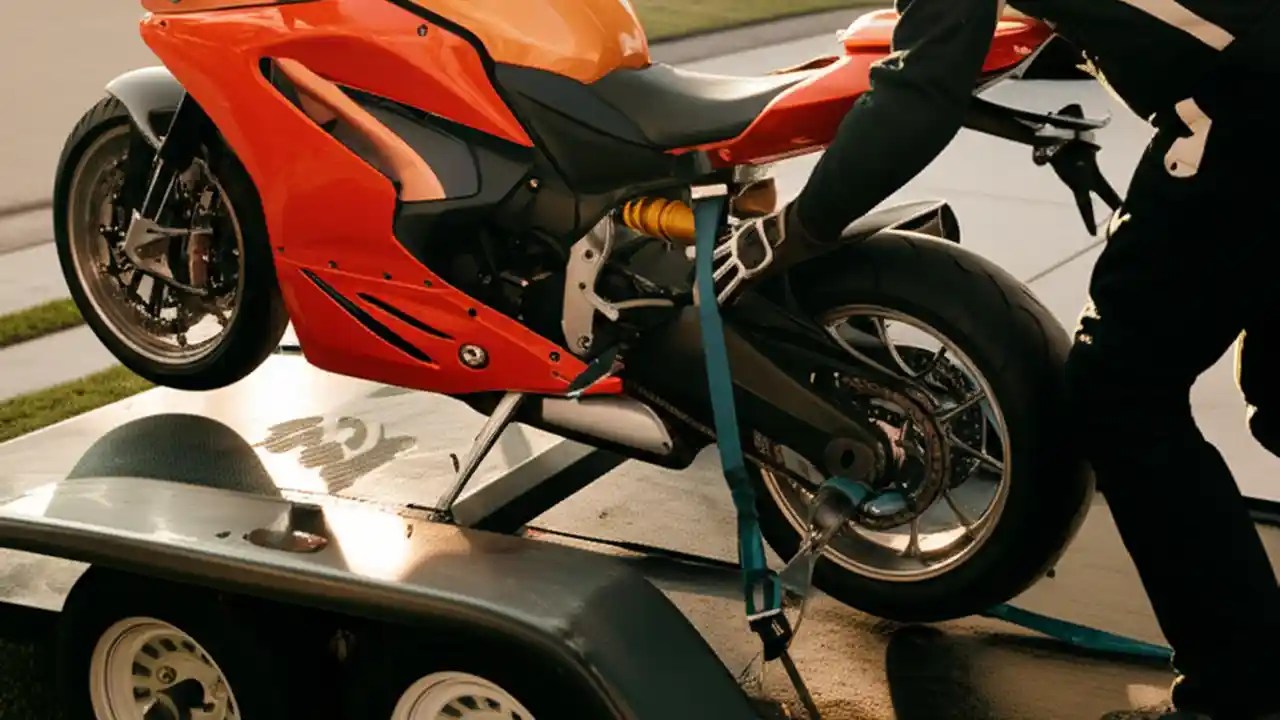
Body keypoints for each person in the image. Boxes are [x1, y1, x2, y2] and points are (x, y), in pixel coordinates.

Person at [712, 1, 1280, 718]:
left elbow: (923, 88)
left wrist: (800, 225)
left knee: (1123, 393)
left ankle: (1241, 692)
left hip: (1255, 104)